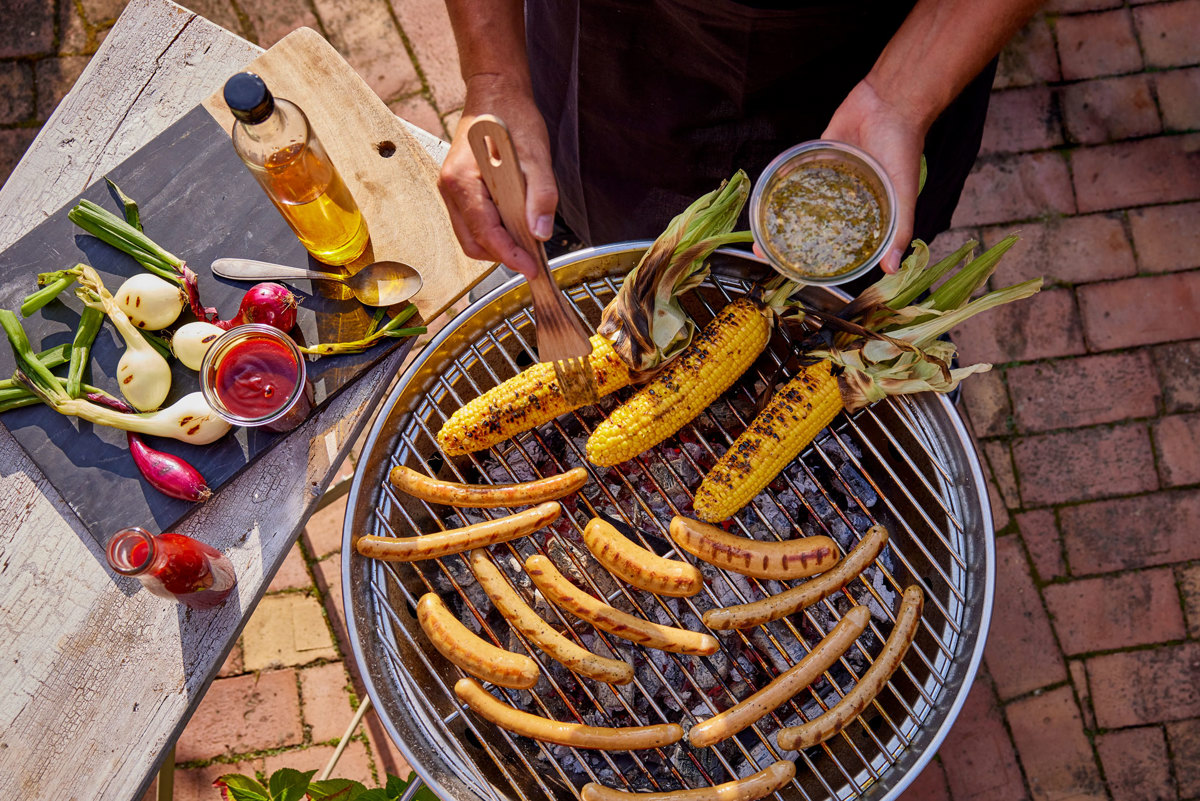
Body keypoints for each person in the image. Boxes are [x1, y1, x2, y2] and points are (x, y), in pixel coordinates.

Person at [437, 0, 1044, 281]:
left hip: (874, 46)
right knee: (594, 208)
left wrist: (902, 100)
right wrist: (493, 77)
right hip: (618, 40)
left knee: (853, 275)